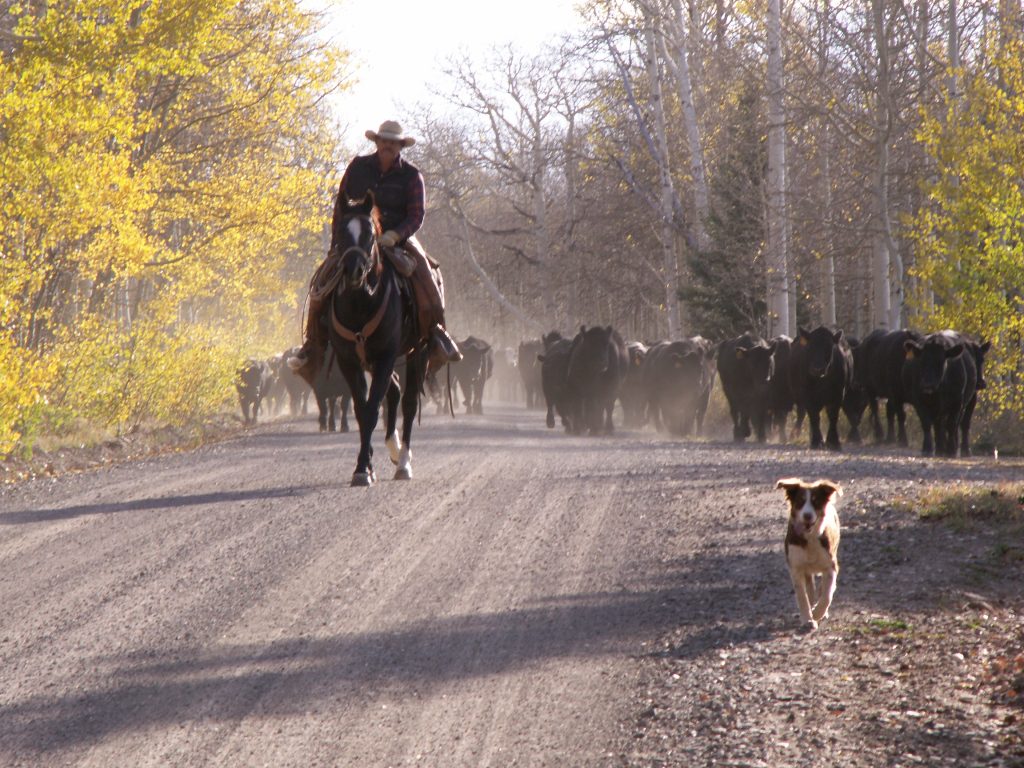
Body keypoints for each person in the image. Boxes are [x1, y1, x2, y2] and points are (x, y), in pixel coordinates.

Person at [289, 120, 462, 377]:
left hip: (398, 237)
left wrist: (394, 235)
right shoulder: (357, 167)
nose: (388, 145)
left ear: (400, 146)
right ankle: (313, 344)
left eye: (393, 142)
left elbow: (417, 215)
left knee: (427, 278)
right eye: (384, 141)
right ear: (377, 142)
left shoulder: (412, 176)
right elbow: (340, 207)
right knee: (320, 285)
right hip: (357, 238)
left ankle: (437, 337)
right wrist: (339, 243)